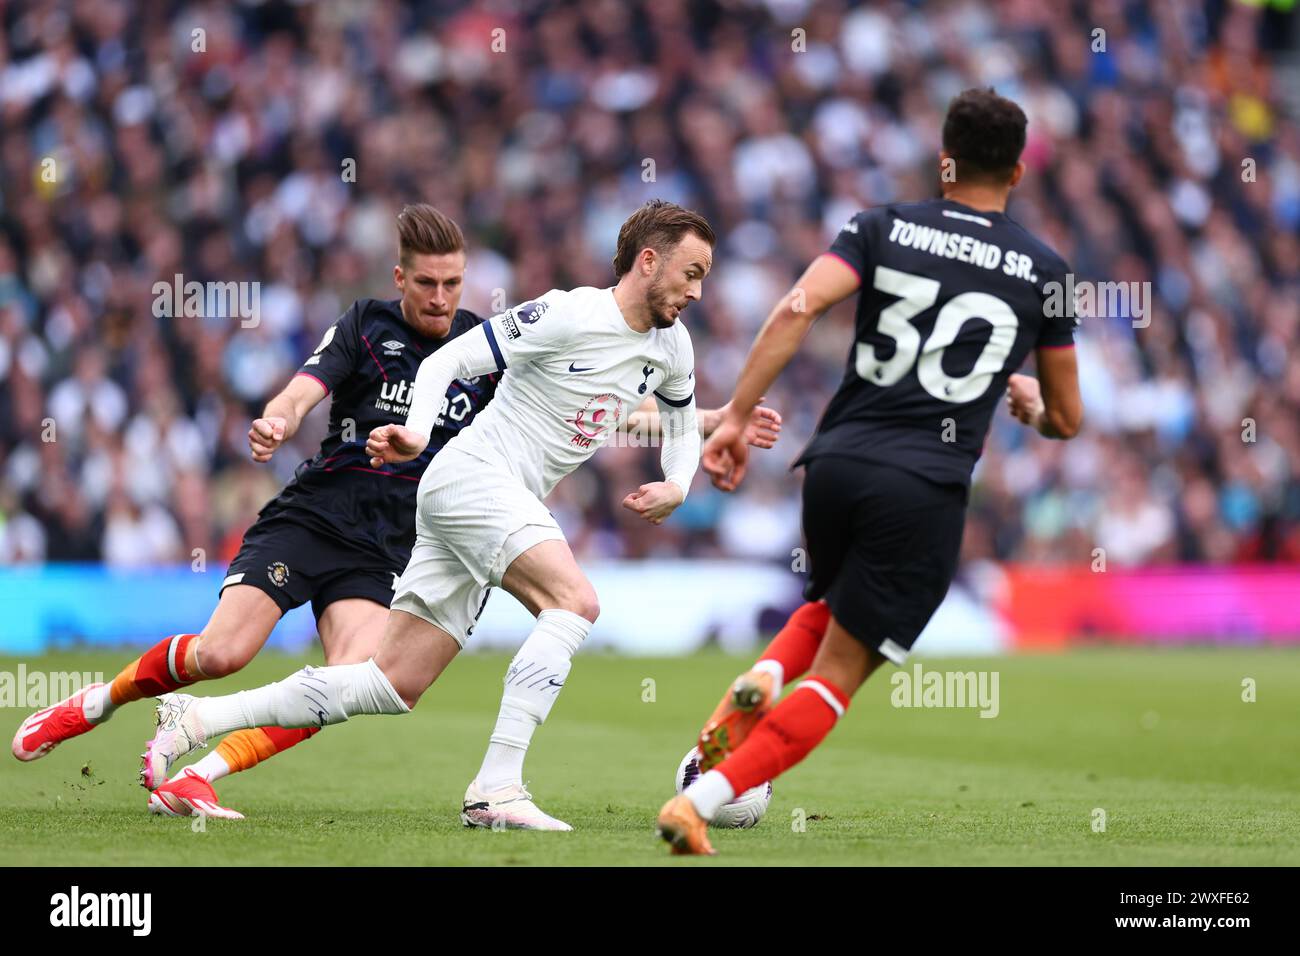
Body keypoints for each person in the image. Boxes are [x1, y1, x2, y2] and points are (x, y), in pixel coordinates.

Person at [14, 203, 779, 823]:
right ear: (402, 279)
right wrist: (281, 419)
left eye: (455, 283)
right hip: (328, 512)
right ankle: (98, 703)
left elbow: (593, 408)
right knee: (223, 652)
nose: (444, 299)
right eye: (430, 284)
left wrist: (706, 431)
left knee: (378, 684)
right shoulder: (369, 327)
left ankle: (201, 752)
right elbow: (305, 387)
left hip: (400, 536)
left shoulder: (553, 343)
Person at [656, 88, 1084, 855]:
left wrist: (732, 419)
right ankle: (706, 799)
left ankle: (751, 691)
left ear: (943, 158)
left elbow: (795, 307)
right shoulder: (1045, 270)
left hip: (836, 463)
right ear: (1018, 171)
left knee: (825, 609)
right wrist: (1024, 401)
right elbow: (1068, 417)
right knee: (842, 671)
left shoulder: (880, 226)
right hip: (923, 486)